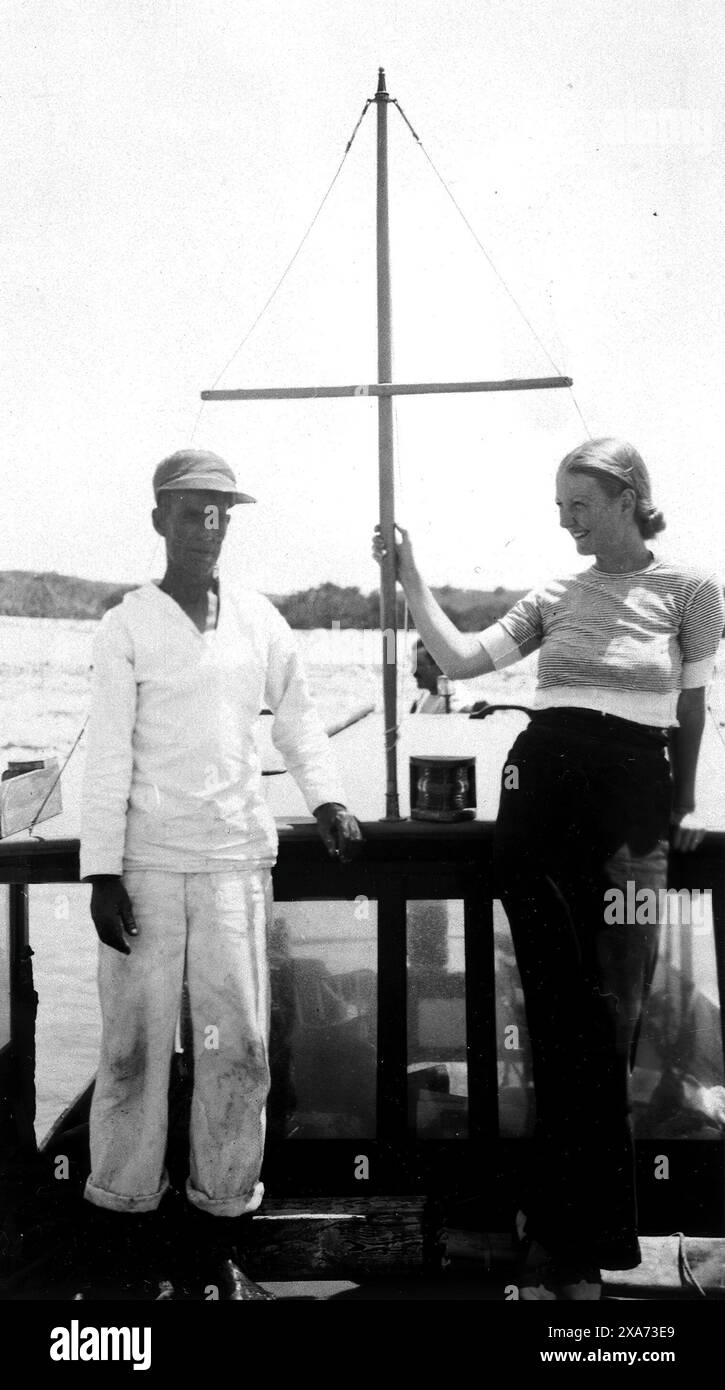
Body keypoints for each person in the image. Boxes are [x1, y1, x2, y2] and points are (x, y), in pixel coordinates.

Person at [373, 437, 724, 1300]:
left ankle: (570, 1231)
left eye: (577, 505)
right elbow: (459, 661)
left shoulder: (692, 591)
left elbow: (692, 703)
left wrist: (680, 809)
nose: (563, 521)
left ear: (627, 497)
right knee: (557, 1014)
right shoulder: (554, 596)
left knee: (614, 1017)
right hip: (540, 797)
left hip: (633, 812)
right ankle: (569, 1245)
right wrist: (408, 577)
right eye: (559, 507)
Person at [80, 448, 362, 1300]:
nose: (207, 525)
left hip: (237, 863)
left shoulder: (259, 621)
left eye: (219, 512)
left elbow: (302, 723)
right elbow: (105, 761)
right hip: (148, 869)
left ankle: (219, 1228)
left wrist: (328, 802)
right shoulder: (124, 625)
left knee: (237, 1049)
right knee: (131, 1054)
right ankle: (122, 1226)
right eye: (191, 510)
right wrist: (101, 871)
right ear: (159, 517)